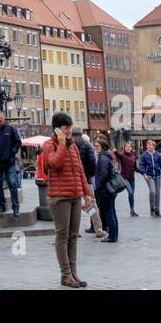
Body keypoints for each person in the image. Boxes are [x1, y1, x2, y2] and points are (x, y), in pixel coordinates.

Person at [41, 113, 91, 288]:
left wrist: (87, 193)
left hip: (75, 196)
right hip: (59, 197)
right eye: (65, 128)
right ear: (57, 129)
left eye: (70, 127)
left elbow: (80, 171)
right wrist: (61, 144)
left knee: (73, 236)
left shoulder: (74, 147)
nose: (69, 131)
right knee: (62, 236)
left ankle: (74, 273)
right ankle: (65, 274)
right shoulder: (49, 145)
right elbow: (54, 164)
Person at [71, 127, 107, 240]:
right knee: (91, 204)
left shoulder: (69, 145)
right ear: (82, 134)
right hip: (85, 179)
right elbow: (92, 162)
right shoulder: (87, 145)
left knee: (73, 205)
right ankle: (98, 229)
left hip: (72, 180)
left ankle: (74, 232)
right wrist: (90, 175)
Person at [94, 137, 119, 243]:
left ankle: (112, 236)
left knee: (109, 212)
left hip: (106, 190)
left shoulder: (103, 158)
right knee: (112, 211)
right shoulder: (105, 157)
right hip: (109, 189)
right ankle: (114, 234)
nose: (95, 148)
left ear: (103, 146)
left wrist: (97, 187)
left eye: (97, 146)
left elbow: (103, 174)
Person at [138, 139, 161, 218]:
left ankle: (157, 210)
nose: (148, 147)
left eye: (150, 145)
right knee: (152, 191)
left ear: (154, 146)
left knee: (157, 194)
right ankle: (152, 208)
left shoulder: (158, 155)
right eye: (147, 145)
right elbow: (141, 165)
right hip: (149, 175)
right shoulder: (144, 155)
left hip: (157, 176)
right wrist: (144, 173)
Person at [117, 141, 139, 217]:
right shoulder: (122, 156)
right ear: (124, 148)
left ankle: (132, 210)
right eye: (126, 147)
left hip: (132, 178)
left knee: (132, 195)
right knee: (130, 193)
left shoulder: (133, 156)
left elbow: (135, 167)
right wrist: (115, 151)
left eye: (129, 147)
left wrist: (143, 172)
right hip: (124, 177)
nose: (128, 148)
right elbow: (118, 155)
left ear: (131, 148)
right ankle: (132, 210)